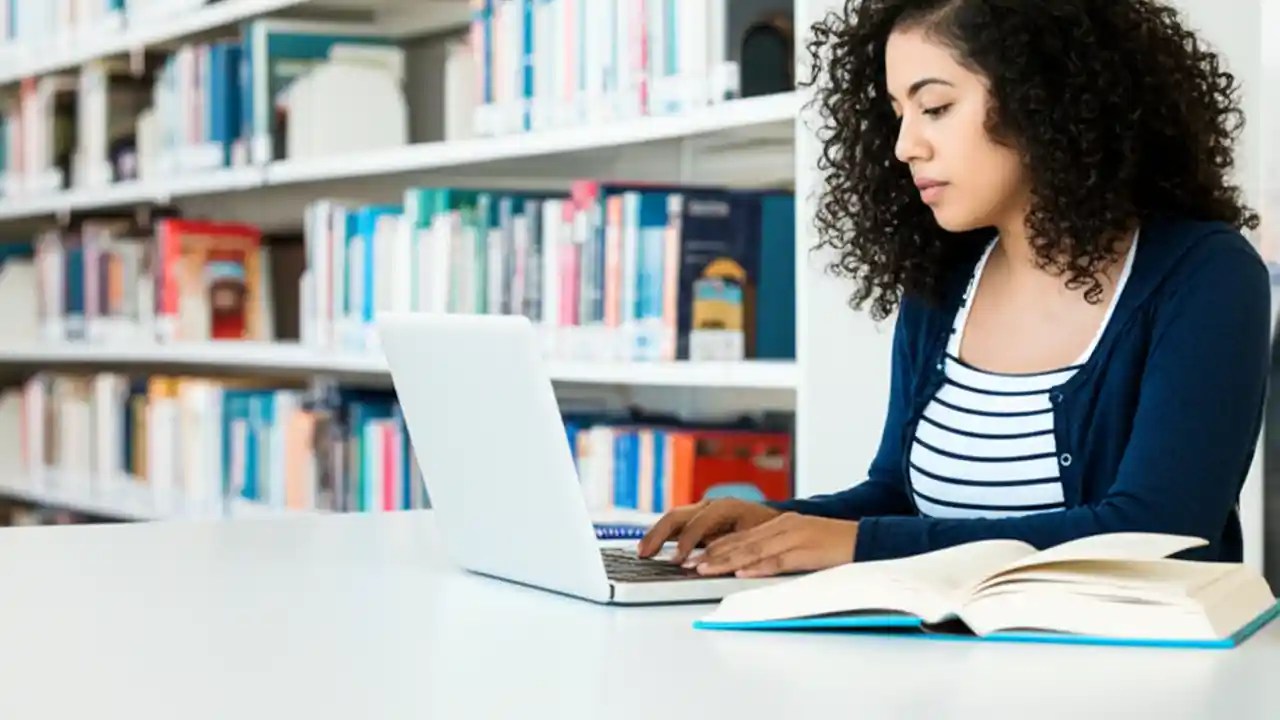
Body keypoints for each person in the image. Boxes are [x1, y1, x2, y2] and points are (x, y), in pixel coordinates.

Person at [637, 0, 1271, 578]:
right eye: (897, 114)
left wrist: (860, 545)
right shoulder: (944, 282)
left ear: (1041, 97)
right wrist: (773, 522)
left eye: (935, 107)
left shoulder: (1205, 276)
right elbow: (897, 496)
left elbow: (1156, 530)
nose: (904, 146)